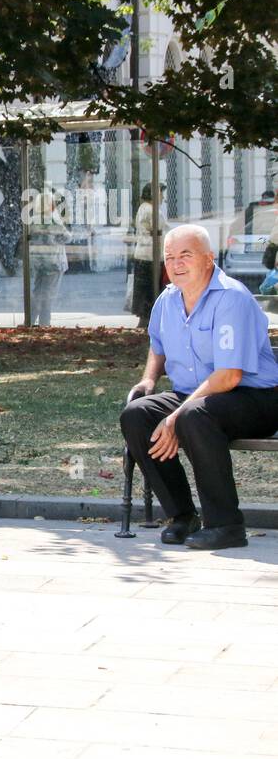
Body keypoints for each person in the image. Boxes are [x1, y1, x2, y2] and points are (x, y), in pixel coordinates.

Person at [119, 225, 278, 550]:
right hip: (197, 396)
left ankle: (226, 526)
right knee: (136, 415)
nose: (176, 264)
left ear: (208, 259)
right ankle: (182, 516)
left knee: (193, 417)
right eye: (170, 257)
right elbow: (158, 345)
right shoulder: (167, 299)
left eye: (185, 256)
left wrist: (176, 415)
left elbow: (229, 376)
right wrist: (149, 378)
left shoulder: (230, 298)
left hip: (255, 398)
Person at [26, 187, 71, 326]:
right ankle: (44, 324)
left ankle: (31, 320)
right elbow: (67, 237)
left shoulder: (32, 221)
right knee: (47, 296)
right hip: (53, 263)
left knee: (37, 292)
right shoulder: (53, 220)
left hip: (38, 263)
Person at [130, 182, 166, 327]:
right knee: (151, 292)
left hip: (143, 254)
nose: (163, 197)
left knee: (145, 293)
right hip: (151, 256)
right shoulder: (152, 210)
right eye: (161, 193)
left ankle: (145, 322)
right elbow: (158, 230)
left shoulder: (143, 208)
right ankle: (147, 324)